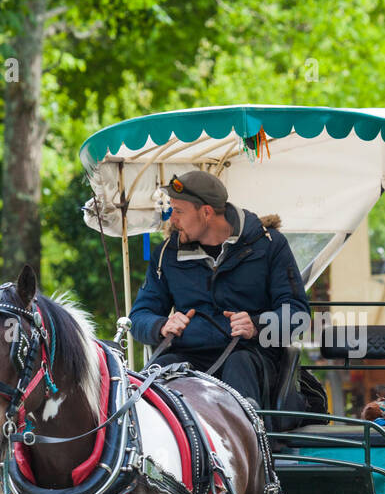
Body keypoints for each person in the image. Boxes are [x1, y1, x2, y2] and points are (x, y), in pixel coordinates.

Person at [128, 169, 310, 407]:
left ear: (206, 212)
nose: (172, 219)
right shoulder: (165, 255)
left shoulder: (270, 245)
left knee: (239, 364)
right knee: (157, 375)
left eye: (179, 211)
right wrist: (162, 325)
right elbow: (138, 318)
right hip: (186, 356)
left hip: (251, 357)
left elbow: (298, 315)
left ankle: (252, 440)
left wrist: (256, 325)